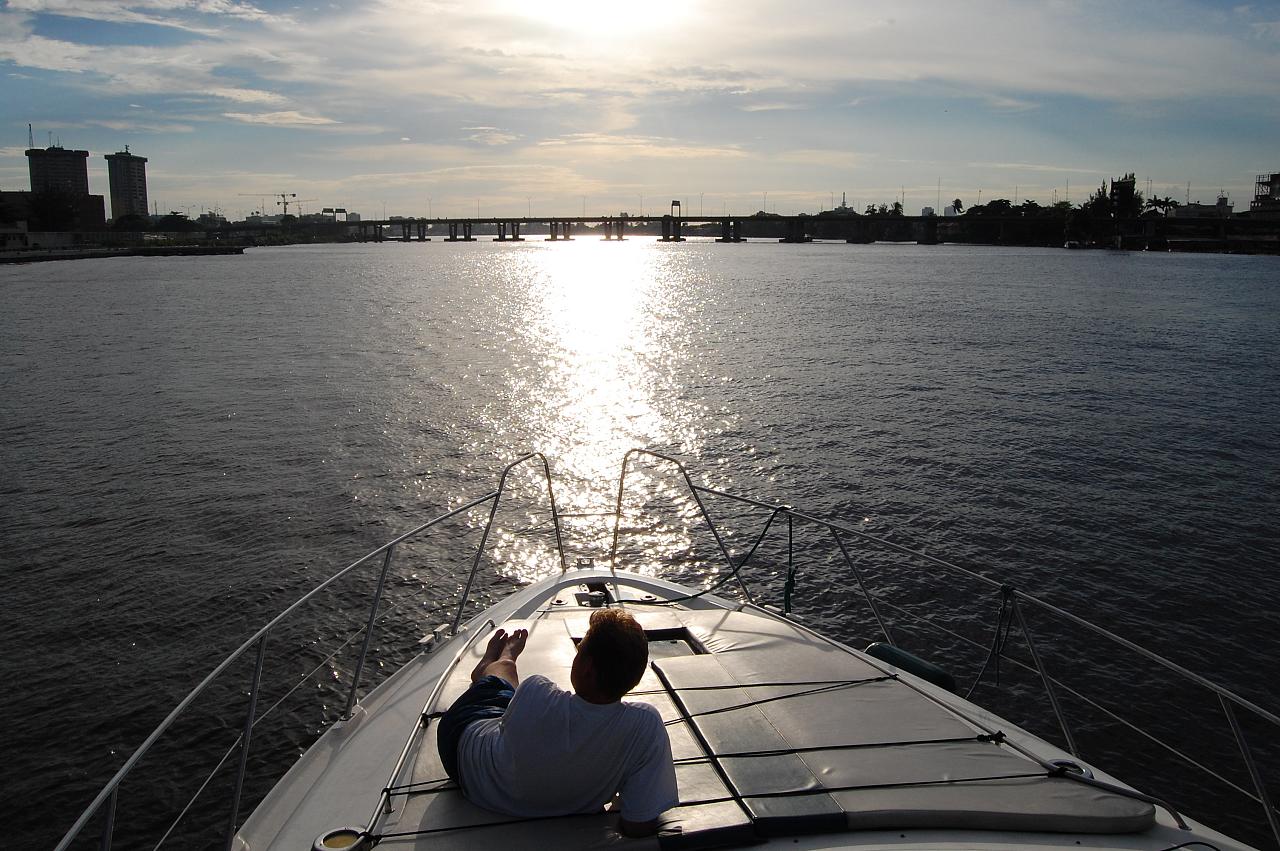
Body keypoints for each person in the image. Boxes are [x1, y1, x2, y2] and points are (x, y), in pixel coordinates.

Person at [436, 609, 678, 837]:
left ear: (587, 667)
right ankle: (496, 665)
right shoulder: (645, 726)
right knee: (505, 698)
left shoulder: (536, 691)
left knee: (500, 689)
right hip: (482, 753)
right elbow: (638, 825)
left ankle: (500, 662)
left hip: (460, 750)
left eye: (580, 648)